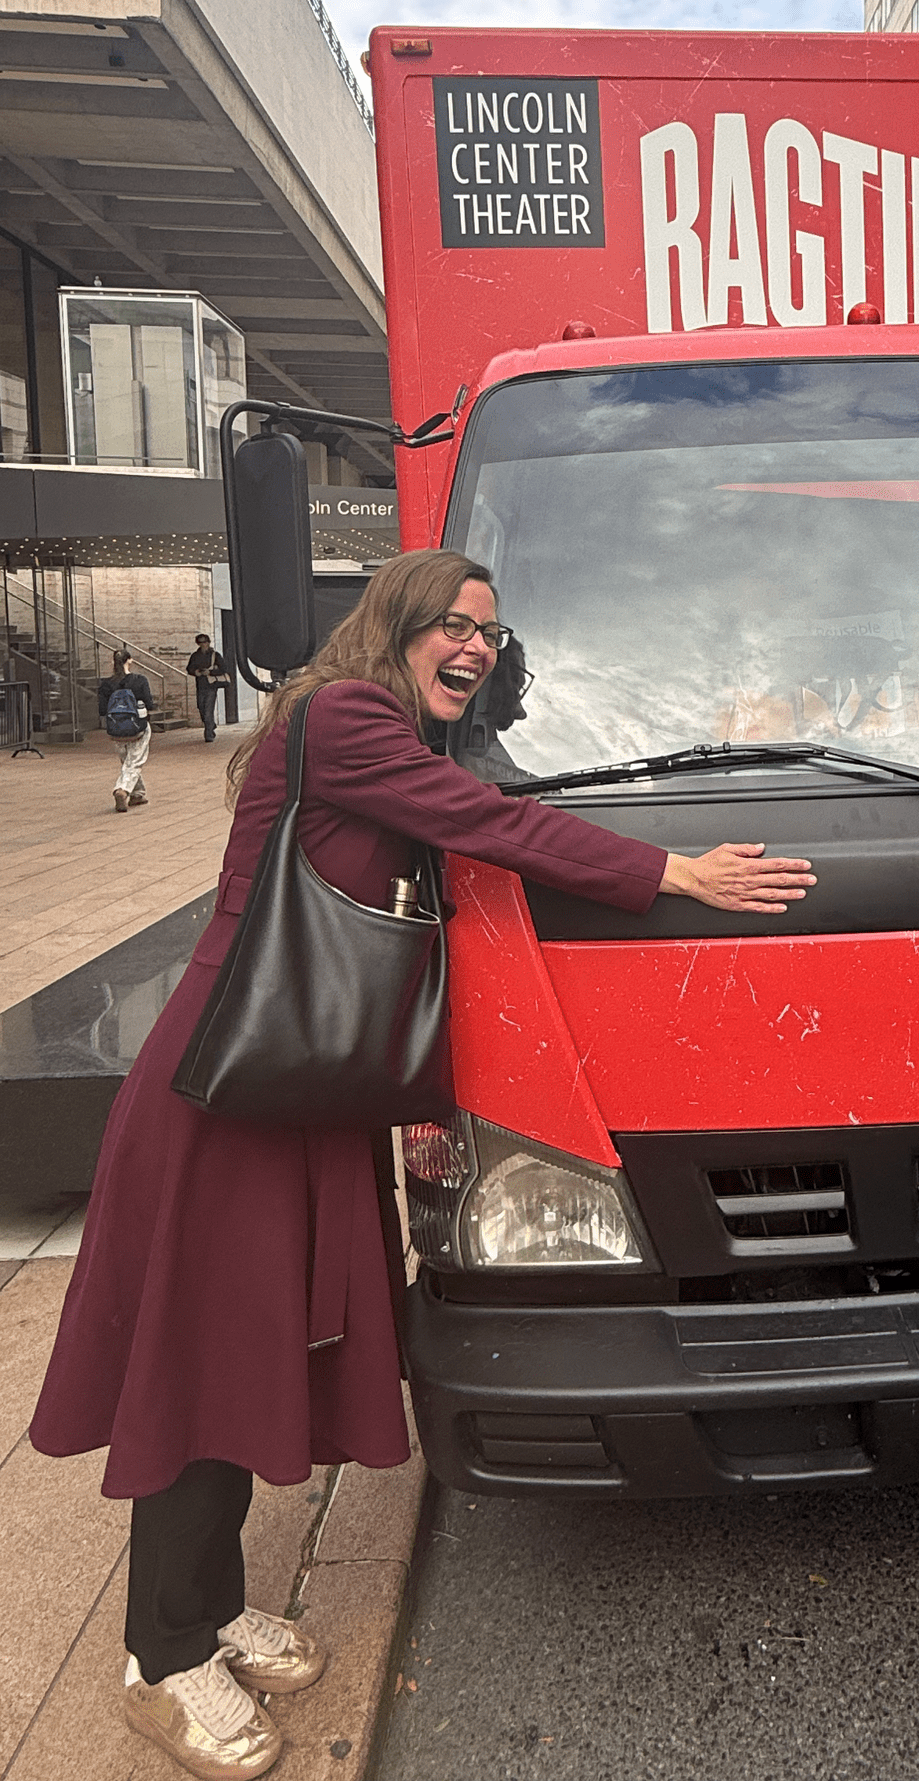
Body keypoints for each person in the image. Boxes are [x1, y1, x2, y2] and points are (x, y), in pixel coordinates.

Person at [29, 548, 815, 1781]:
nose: (475, 646)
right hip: (228, 1094)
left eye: (491, 634)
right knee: (203, 1350)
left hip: (299, 1082)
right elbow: (494, 825)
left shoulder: (387, 731)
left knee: (256, 1341)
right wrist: (678, 870)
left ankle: (213, 1601)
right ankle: (159, 1652)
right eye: (451, 624)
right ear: (389, 628)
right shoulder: (346, 718)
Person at [98, 647, 157, 813]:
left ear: (112, 662)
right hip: (138, 726)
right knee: (135, 762)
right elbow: (149, 703)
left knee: (127, 761)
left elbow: (102, 710)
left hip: (116, 729)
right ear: (129, 660)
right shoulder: (139, 680)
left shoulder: (106, 684)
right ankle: (122, 790)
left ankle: (138, 794)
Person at [187, 633, 230, 743]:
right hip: (200, 685)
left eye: (205, 642)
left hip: (211, 685)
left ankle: (209, 734)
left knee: (208, 710)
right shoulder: (195, 656)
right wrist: (195, 672)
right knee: (201, 707)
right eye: (200, 643)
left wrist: (210, 672)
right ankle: (211, 725)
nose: (203, 645)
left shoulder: (215, 655)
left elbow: (224, 668)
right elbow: (189, 668)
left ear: (208, 643)